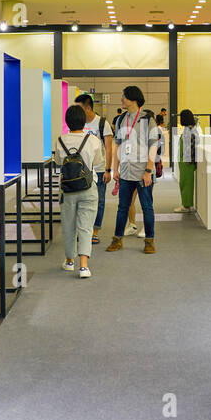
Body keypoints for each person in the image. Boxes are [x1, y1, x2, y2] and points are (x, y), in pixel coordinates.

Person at [106, 85, 158, 254]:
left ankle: (149, 241)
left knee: (147, 207)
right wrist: (115, 169)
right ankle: (117, 239)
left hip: (143, 172)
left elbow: (153, 145)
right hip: (126, 171)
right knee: (123, 207)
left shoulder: (147, 119)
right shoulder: (121, 119)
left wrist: (149, 171)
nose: (121, 98)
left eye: (124, 96)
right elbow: (118, 145)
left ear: (133, 99)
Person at [55, 104, 104, 278]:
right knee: (86, 227)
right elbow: (97, 161)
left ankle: (69, 261)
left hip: (67, 189)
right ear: (84, 121)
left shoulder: (61, 140)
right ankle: (83, 266)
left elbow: (60, 162)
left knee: (68, 225)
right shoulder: (93, 140)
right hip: (88, 187)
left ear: (67, 122)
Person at [76, 93, 114, 246]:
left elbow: (109, 148)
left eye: (79, 109)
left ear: (88, 108)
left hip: (99, 169)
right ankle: (85, 229)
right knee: (82, 201)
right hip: (81, 170)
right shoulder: (77, 124)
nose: (77, 112)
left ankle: (95, 231)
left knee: (99, 201)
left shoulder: (102, 123)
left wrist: (108, 169)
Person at [174, 109, 204, 213]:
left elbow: (190, 148)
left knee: (186, 184)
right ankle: (186, 204)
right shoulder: (190, 129)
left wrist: (189, 162)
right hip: (185, 161)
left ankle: (186, 205)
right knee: (185, 183)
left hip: (187, 162)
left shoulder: (189, 131)